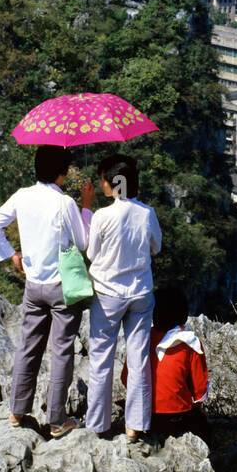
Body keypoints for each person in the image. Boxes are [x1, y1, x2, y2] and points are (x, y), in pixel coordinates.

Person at [0, 145, 91, 438]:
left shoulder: (22, 195)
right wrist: (86, 207)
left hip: (33, 286)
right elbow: (83, 242)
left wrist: (12, 255)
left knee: (29, 346)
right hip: (61, 287)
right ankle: (57, 419)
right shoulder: (66, 203)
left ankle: (18, 410)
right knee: (61, 351)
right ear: (62, 172)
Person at [84, 153, 161, 440]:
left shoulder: (102, 216)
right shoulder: (147, 213)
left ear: (113, 183)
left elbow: (91, 254)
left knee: (101, 358)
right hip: (140, 292)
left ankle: (98, 424)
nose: (101, 182)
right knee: (139, 357)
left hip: (107, 294)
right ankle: (136, 425)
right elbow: (156, 247)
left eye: (104, 178)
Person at [143, 287, 210, 441]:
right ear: (184, 314)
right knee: (205, 428)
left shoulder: (143, 339)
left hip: (143, 416)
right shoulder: (190, 342)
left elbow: (126, 378)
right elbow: (200, 389)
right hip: (178, 417)